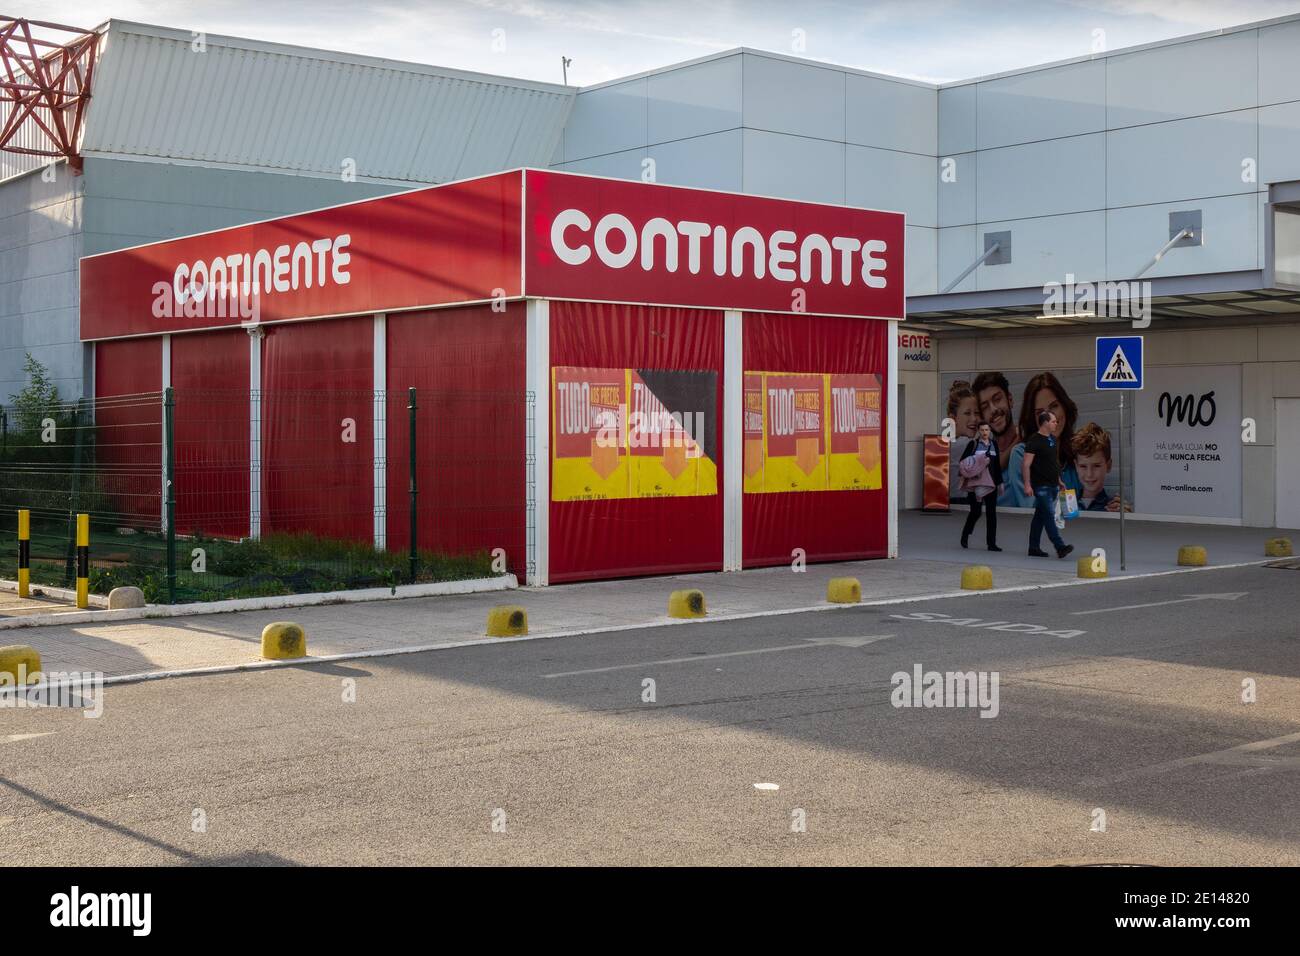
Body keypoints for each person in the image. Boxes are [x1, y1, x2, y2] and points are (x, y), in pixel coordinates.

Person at [1003, 371, 1082, 508]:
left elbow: (1088, 499)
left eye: (1054, 406)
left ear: (1065, 406)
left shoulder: (1075, 454)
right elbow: (1034, 509)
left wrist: (1109, 506)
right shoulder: (1021, 455)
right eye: (1040, 413)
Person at [1022, 408, 1074, 559]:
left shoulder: (1052, 440)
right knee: (1049, 515)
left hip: (1052, 484)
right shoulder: (1034, 440)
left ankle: (1033, 547)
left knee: (1039, 517)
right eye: (1053, 421)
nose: (1056, 424)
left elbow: (1053, 462)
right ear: (1045, 423)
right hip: (1041, 486)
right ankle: (1060, 546)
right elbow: (1026, 464)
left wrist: (1059, 480)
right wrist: (1027, 484)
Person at [958, 422, 1003, 551]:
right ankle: (965, 534)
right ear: (978, 431)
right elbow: (963, 463)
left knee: (991, 514)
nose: (984, 432)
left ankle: (991, 543)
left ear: (990, 431)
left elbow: (997, 465)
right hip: (975, 483)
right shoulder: (973, 444)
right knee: (976, 512)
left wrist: (1000, 482)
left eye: (987, 430)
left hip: (991, 483)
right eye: (982, 430)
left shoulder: (994, 445)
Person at [1071, 423, 1123, 512]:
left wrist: (1127, 520)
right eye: (1083, 466)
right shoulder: (1065, 505)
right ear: (1076, 466)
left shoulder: (1115, 509)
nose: (1089, 474)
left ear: (1108, 465)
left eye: (1096, 466)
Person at [973, 371, 1017, 474]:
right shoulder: (979, 455)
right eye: (985, 407)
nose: (993, 409)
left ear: (1009, 399)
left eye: (997, 399)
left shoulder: (1033, 444)